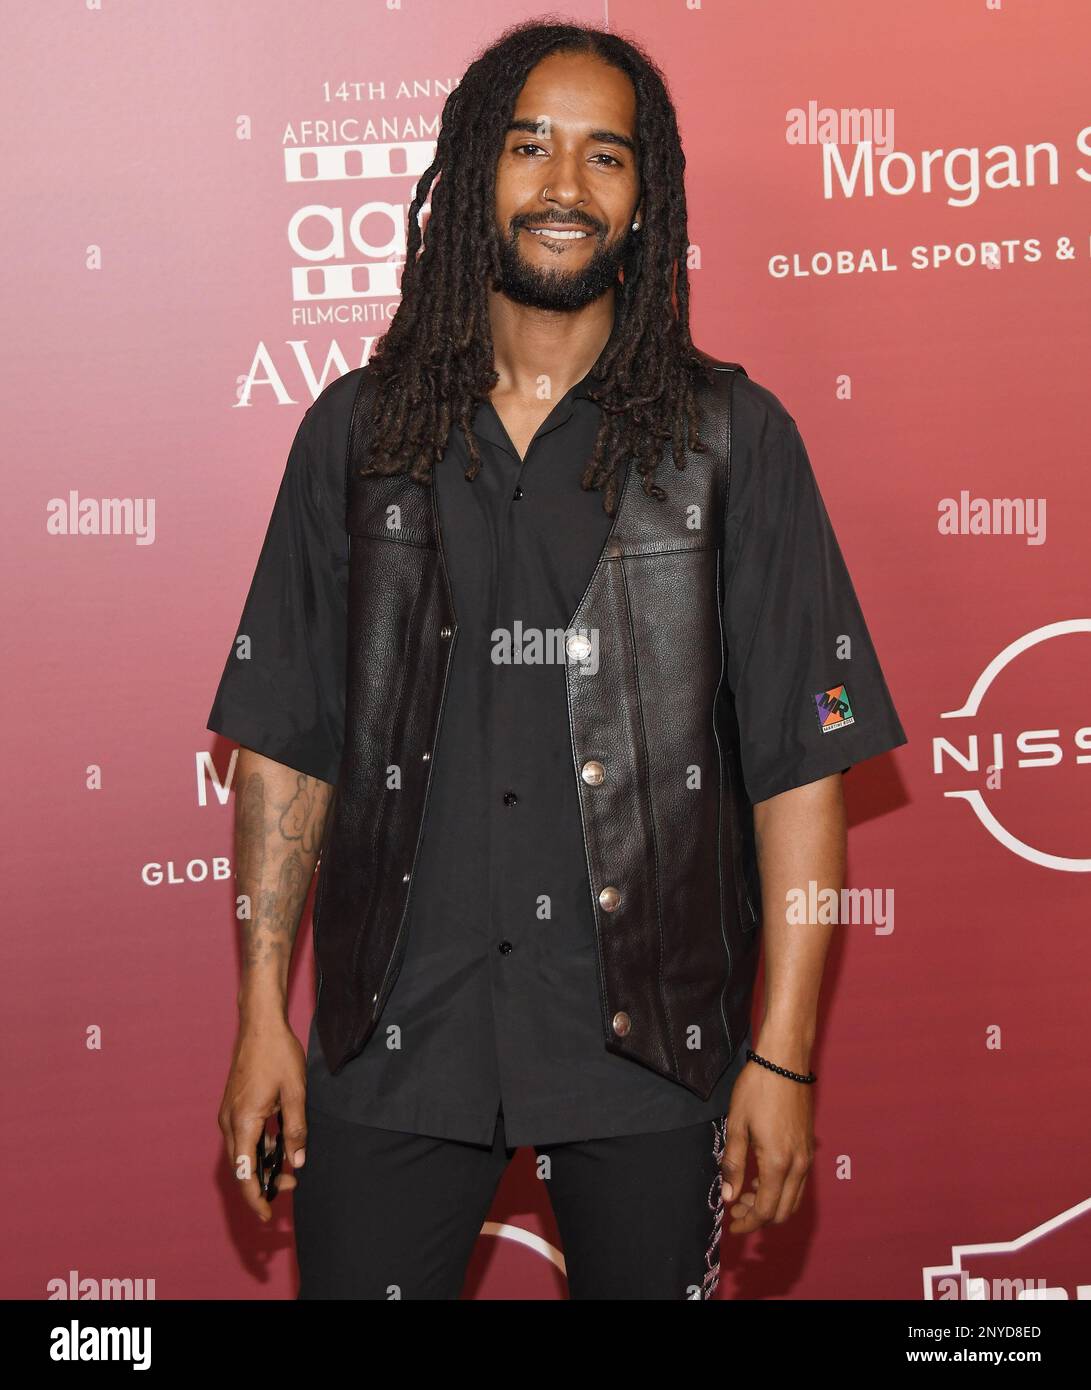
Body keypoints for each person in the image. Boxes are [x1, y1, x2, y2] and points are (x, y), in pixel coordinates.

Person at [208, 20, 907, 1300]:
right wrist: (263, 1014)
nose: (562, 187)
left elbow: (799, 777)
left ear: (646, 203)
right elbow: (286, 752)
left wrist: (784, 1056)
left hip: (649, 1057)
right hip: (393, 1045)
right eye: (528, 146)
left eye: (604, 157)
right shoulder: (359, 437)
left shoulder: (731, 442)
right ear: (476, 170)